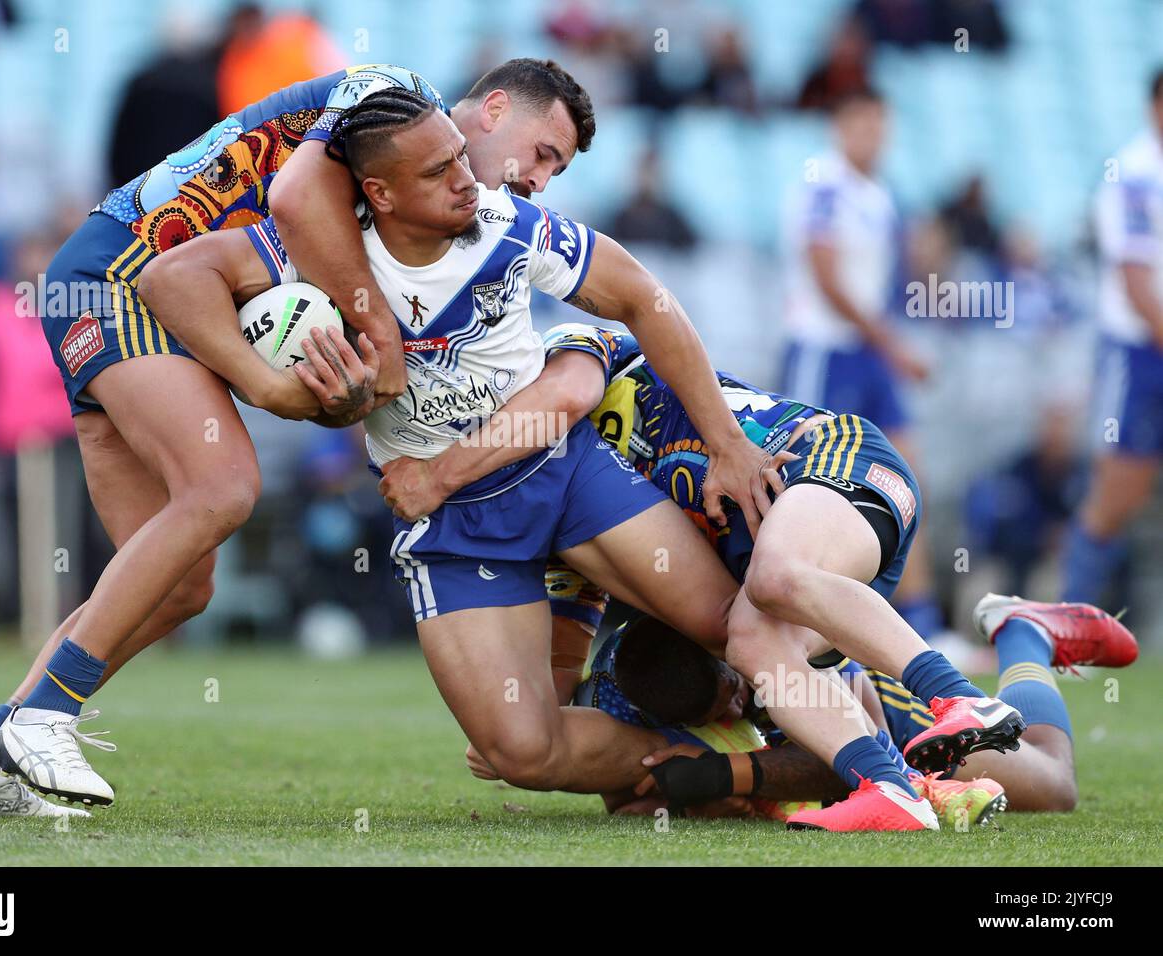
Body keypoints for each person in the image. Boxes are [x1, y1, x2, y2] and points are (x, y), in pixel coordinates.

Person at [0, 59, 606, 817]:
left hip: (135, 291)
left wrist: (326, 398)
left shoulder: (410, 211)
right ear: (494, 110)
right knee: (222, 488)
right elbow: (292, 192)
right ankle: (49, 715)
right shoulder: (394, 88)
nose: (538, 180)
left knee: (176, 585)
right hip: (121, 274)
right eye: (542, 154)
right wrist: (327, 357)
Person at [136, 89, 786, 804]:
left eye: (460, 157)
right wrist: (269, 390)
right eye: (440, 170)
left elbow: (644, 297)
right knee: (520, 750)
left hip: (559, 470)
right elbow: (170, 276)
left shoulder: (508, 224)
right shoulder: (319, 249)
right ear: (377, 192)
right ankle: (721, 771)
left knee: (733, 625)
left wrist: (727, 444)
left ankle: (874, 745)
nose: (465, 180)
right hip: (453, 532)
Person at [385, 323, 1026, 830]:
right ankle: (897, 782)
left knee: (773, 583)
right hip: (815, 593)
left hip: (827, 460)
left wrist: (730, 775)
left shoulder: (560, 356)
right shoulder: (578, 545)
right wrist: (505, 726)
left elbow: (570, 392)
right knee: (752, 633)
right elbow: (553, 685)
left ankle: (959, 696)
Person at [618, 592, 1136, 818]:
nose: (738, 707)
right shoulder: (630, 694)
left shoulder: (770, 643)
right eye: (718, 714)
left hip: (891, 722)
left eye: (734, 687)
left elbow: (841, 768)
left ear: (717, 648)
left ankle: (1023, 631)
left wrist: (719, 777)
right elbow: (625, 796)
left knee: (1053, 784)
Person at [779, 87, 943, 643]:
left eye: (880, 127)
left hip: (868, 352)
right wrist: (893, 342)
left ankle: (916, 625)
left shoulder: (879, 195)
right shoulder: (824, 182)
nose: (873, 138)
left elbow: (885, 282)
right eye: (864, 126)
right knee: (805, 476)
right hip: (826, 350)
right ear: (841, 125)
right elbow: (825, 275)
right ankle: (797, 617)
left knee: (904, 477)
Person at [1061, 68, 1163, 609]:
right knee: (1119, 493)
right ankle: (1066, 624)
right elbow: (1136, 279)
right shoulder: (1135, 174)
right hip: (1140, 353)